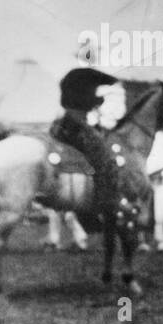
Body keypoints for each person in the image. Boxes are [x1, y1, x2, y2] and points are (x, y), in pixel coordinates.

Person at [50, 67, 125, 219]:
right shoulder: (83, 82)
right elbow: (86, 99)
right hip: (76, 123)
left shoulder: (71, 79)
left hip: (66, 121)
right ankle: (106, 199)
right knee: (104, 157)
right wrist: (99, 99)